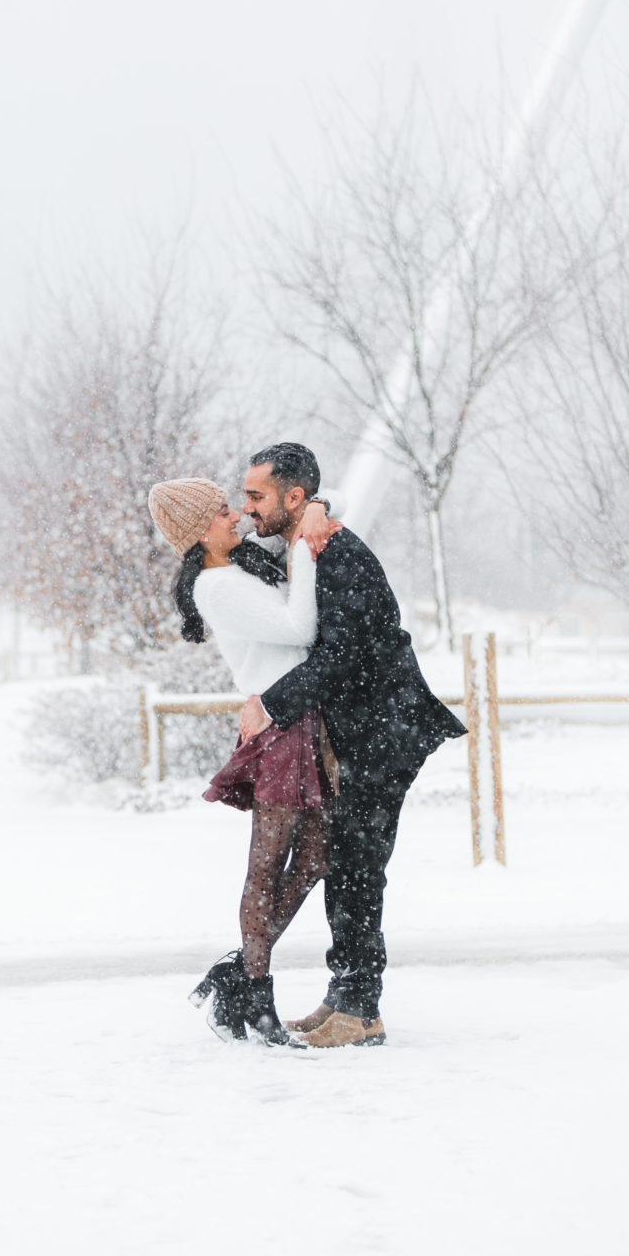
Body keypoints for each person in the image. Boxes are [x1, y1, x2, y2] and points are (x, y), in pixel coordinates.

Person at [238, 442, 467, 1048]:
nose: (246, 508)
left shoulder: (335, 551)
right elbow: (240, 560)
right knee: (346, 865)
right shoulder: (300, 540)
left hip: (386, 731)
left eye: (256, 496)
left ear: (292, 497)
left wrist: (269, 703)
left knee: (358, 871)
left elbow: (342, 655)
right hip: (361, 733)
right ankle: (344, 996)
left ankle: (361, 1009)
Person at [148, 474, 339, 1045]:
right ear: (195, 529)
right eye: (220, 511)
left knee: (313, 856)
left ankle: (242, 972)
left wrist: (319, 510)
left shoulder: (237, 572)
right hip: (278, 729)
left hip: (301, 717)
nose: (234, 516)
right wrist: (306, 550)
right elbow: (299, 628)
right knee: (268, 862)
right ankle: (257, 995)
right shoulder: (217, 587)